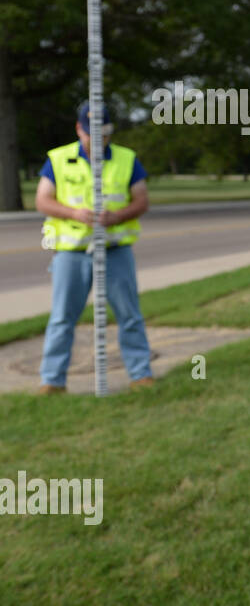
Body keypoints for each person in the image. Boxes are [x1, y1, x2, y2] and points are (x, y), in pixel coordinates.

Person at [34, 101, 154, 393]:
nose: (97, 139)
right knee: (62, 317)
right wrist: (74, 213)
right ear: (79, 129)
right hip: (71, 253)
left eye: (103, 132)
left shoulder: (127, 159)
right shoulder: (59, 159)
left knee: (129, 314)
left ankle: (141, 374)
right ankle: (52, 380)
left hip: (115, 250)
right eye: (91, 133)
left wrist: (117, 216)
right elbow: (42, 201)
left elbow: (141, 200)